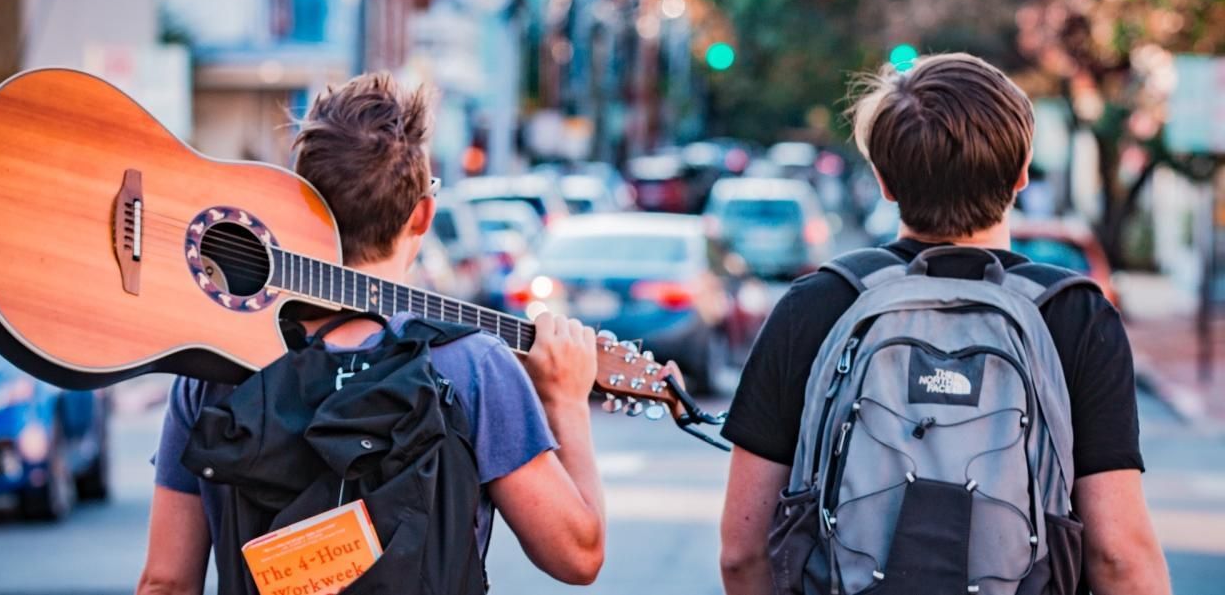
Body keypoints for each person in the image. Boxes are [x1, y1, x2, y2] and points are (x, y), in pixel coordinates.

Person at [718, 53, 1171, 595]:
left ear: (885, 181)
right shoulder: (1074, 315)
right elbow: (1118, 555)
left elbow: (742, 553)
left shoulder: (817, 306)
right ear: (1023, 171)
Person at [137, 73, 605, 593]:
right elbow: (577, 556)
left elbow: (166, 582)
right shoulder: (472, 367)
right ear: (423, 214)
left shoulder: (216, 368)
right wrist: (566, 402)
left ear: (297, 200)